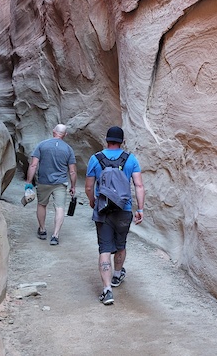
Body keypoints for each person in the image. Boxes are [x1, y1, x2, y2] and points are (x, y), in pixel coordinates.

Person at [85, 126, 145, 305]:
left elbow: (89, 187)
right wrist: (140, 209)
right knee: (120, 244)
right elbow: (138, 186)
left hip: (102, 210)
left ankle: (107, 290)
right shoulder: (130, 159)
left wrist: (92, 201)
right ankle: (117, 276)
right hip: (124, 209)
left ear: (106, 140)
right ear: (122, 141)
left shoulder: (95, 159)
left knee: (104, 249)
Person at [25, 124, 77, 246]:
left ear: (53, 132)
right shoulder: (68, 149)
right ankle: (55, 235)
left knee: (42, 204)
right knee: (59, 208)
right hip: (60, 183)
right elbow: (72, 171)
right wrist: (73, 186)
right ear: (65, 135)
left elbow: (33, 165)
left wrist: (28, 182)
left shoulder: (42, 145)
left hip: (43, 181)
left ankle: (42, 230)